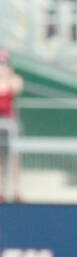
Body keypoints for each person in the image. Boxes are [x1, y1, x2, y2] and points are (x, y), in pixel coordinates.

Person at [0, 49, 22, 202]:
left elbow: (12, 88)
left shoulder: (15, 79)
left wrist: (6, 77)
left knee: (14, 159)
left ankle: (16, 192)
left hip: (10, 123)